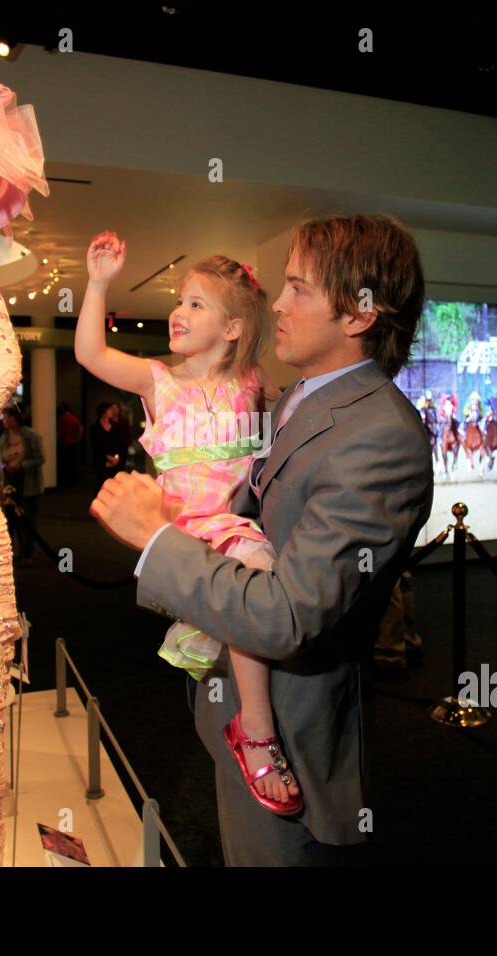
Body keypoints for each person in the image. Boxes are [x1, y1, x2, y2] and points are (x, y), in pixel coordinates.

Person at [90, 214, 434, 865]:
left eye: (299, 288)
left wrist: (157, 539)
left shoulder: (380, 436)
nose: (277, 302)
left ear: (359, 314)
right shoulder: (292, 397)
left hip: (292, 728)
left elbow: (287, 617)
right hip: (232, 684)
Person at [75, 232, 304, 814]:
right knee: (247, 584)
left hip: (226, 525)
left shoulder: (250, 385)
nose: (178, 311)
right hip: (177, 526)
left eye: (196, 303)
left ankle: (250, 722)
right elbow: (91, 356)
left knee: (256, 578)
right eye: (179, 300)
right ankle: (257, 728)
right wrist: (99, 282)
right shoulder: (160, 381)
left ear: (232, 328)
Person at [0, 405, 45, 567]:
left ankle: (27, 553)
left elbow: (40, 458)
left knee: (27, 519)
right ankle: (18, 551)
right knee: (13, 519)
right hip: (11, 483)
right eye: (4, 418)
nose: (6, 421)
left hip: (28, 483)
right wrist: (5, 468)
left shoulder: (30, 436)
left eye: (8, 417)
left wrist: (22, 466)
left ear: (16, 418)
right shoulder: (4, 437)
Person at [88, 402, 127, 487]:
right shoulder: (94, 428)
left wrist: (116, 458)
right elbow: (95, 447)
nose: (112, 412)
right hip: (100, 461)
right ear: (104, 412)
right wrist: (108, 458)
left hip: (115, 461)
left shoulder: (115, 426)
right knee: (101, 484)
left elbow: (119, 443)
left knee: (114, 485)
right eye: (110, 410)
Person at [56, 401, 84, 488]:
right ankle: (74, 480)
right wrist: (77, 439)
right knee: (73, 463)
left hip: (64, 443)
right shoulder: (73, 417)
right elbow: (80, 428)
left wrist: (56, 440)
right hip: (73, 443)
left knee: (65, 464)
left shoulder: (62, 418)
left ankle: (66, 481)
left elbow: (59, 431)